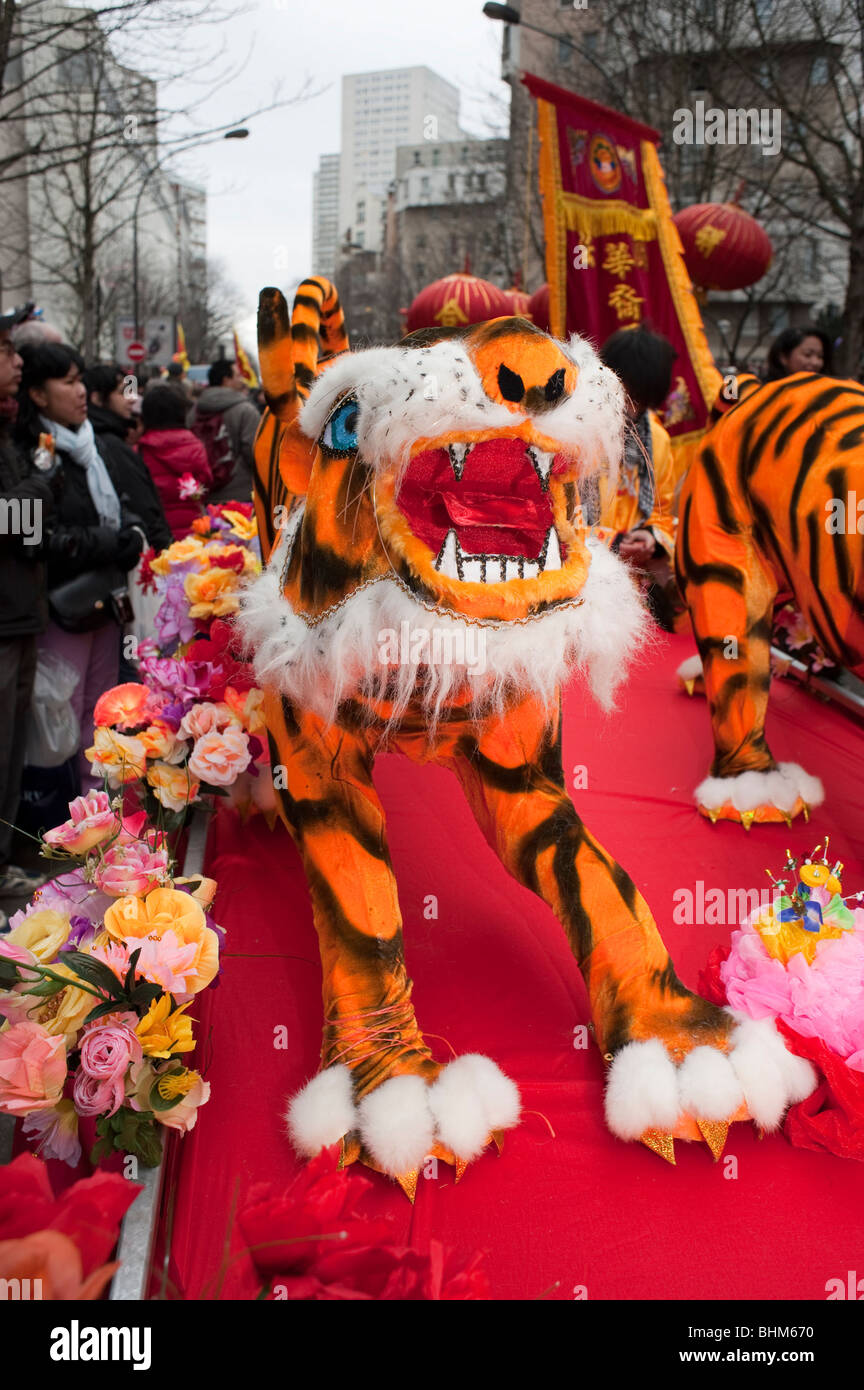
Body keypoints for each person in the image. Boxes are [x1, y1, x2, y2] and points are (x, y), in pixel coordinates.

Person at [16, 343, 146, 791]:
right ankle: (64, 824)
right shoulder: (30, 451)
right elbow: (34, 536)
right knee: (62, 719)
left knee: (103, 710)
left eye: (80, 381)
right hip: (60, 605)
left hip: (105, 600)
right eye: (68, 382)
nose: (80, 393)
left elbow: (118, 505)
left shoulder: (92, 445)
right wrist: (112, 542)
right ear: (36, 393)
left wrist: (130, 531)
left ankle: (99, 816)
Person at [0, 309, 53, 914]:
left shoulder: (12, 431)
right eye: (9, 351)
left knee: (10, 752)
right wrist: (40, 486)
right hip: (7, 615)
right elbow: (14, 524)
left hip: (20, 612)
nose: (17, 362)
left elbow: (30, 530)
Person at [597, 326, 680, 630]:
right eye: (625, 394)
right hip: (574, 582)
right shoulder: (574, 433)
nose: (630, 408)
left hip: (632, 591)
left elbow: (661, 513)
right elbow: (554, 516)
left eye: (641, 400)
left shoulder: (656, 438)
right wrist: (612, 542)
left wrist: (651, 539)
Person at [83, 363, 172, 552]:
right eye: (123, 392)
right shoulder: (109, 444)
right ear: (97, 398)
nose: (132, 400)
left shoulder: (108, 437)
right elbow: (142, 507)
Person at [138, 385, 212, 538]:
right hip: (195, 531)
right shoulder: (195, 445)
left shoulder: (141, 450)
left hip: (158, 533)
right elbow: (205, 485)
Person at [191, 357, 260, 504]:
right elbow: (254, 452)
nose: (242, 379)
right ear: (226, 380)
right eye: (237, 375)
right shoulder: (245, 411)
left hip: (202, 491)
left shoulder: (194, 411)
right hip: (240, 494)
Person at [764, 325, 832, 381]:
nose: (815, 362)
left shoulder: (831, 392)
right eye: (807, 355)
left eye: (820, 356)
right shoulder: (764, 392)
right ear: (783, 357)